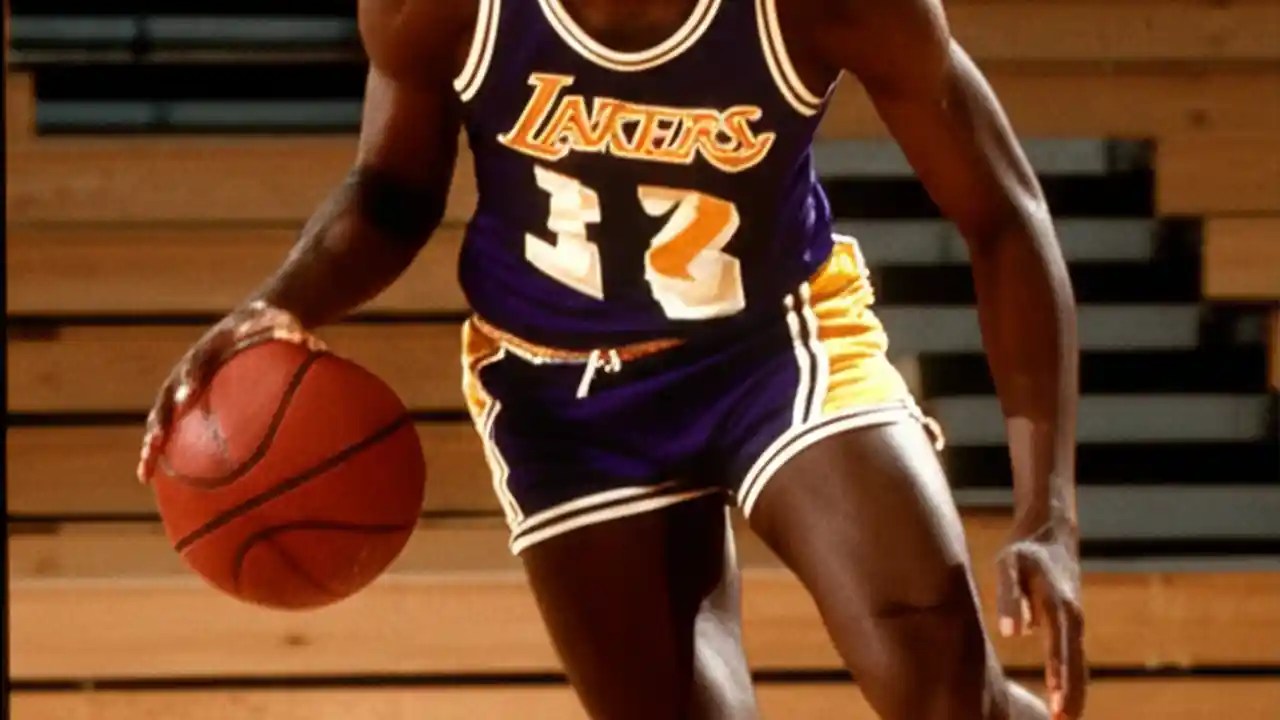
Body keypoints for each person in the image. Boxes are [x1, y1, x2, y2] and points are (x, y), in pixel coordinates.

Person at [138, 0, 1086, 717]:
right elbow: (393, 190)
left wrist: (1049, 512)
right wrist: (281, 302)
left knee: (935, 663)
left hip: (773, 342)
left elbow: (1003, 213)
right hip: (558, 390)